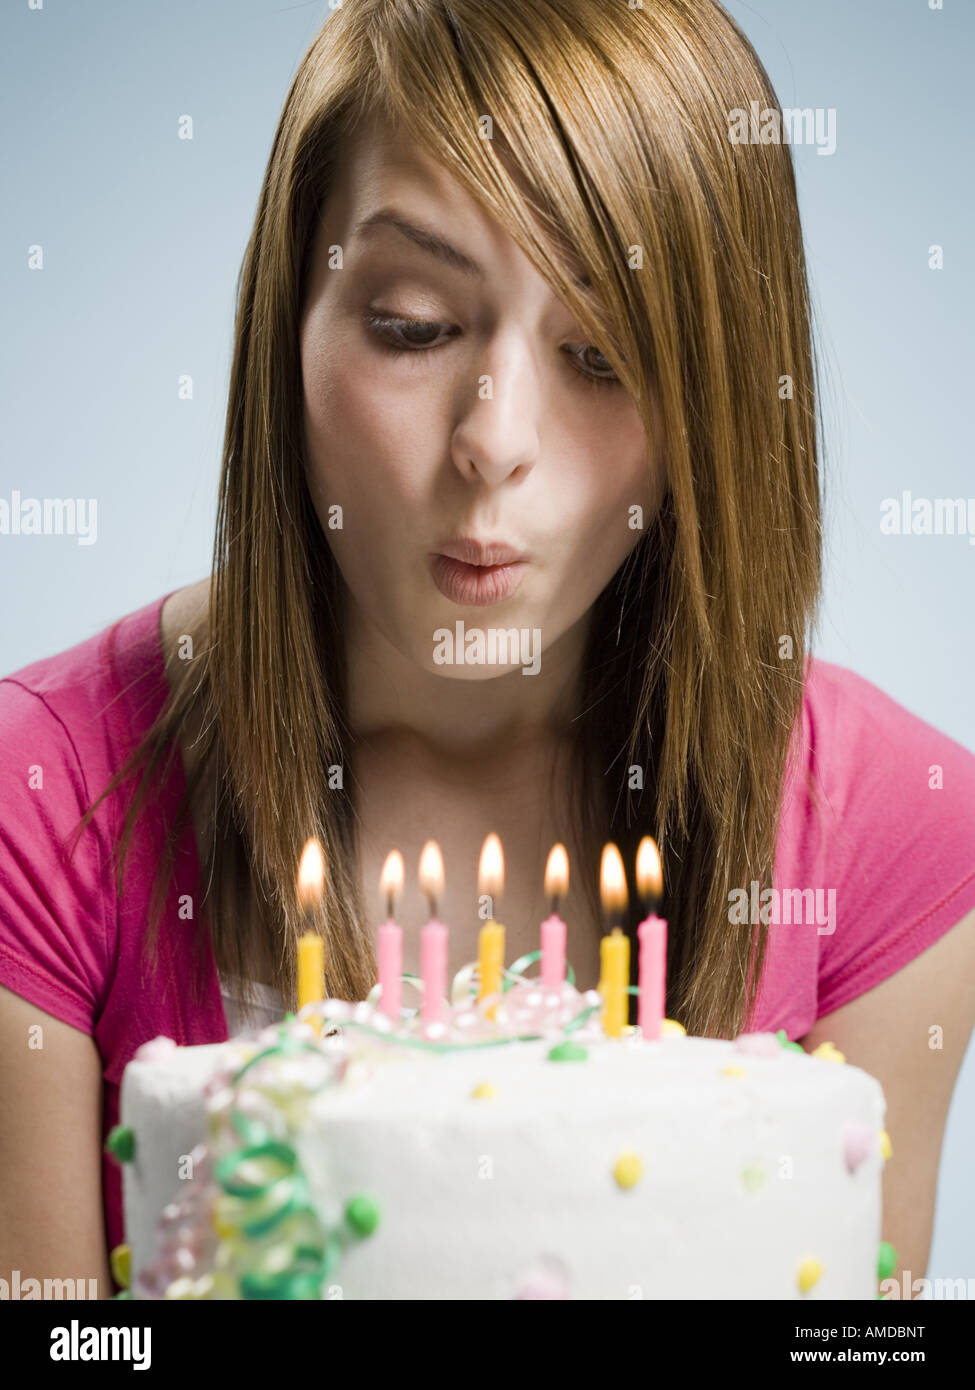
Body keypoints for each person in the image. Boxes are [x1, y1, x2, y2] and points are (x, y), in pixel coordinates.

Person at [2, 0, 973, 1300]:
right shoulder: (43, 795)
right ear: (288, 323)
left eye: (601, 353)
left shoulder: (894, 836)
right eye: (413, 323)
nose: (494, 439)